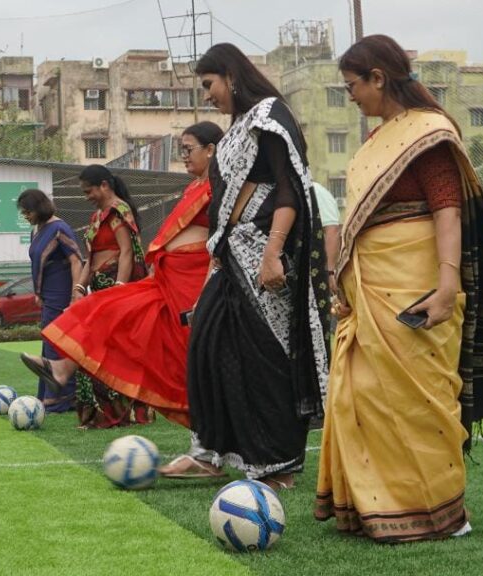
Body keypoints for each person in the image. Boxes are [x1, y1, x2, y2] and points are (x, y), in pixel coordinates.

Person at [315, 34, 483, 542]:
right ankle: (374, 508)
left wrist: (448, 282)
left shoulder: (427, 133)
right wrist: (344, 277)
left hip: (417, 280)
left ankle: (439, 513)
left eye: (352, 86)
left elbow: (446, 208)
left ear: (378, 79)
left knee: (420, 400)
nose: (351, 96)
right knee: (361, 393)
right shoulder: (373, 144)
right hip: (370, 285)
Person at [24, 122, 224, 466]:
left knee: (181, 359)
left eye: (188, 149)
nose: (183, 157)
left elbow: (130, 251)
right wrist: (80, 286)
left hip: (189, 283)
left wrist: (120, 282)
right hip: (167, 279)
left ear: (212, 149)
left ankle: (207, 449)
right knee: (102, 314)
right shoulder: (195, 187)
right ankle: (63, 368)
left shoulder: (223, 187)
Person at [182, 43, 331, 491]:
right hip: (231, 256)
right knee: (209, 347)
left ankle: (277, 463)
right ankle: (211, 452)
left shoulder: (269, 114)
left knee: (266, 359)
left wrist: (272, 253)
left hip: (264, 256)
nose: (207, 95)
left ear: (230, 75)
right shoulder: (235, 130)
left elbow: (290, 191)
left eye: (209, 85)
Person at [24, 165, 154, 429]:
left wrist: (119, 288)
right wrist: (79, 290)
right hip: (100, 285)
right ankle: (88, 402)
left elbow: (127, 252)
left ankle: (62, 370)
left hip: (119, 286)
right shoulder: (96, 217)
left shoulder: (119, 211)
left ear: (105, 185)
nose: (87, 196)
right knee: (92, 340)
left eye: (89, 191)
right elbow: (89, 260)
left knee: (94, 339)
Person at [15, 189, 82, 412]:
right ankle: (50, 397)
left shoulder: (59, 228)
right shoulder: (38, 231)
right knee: (49, 341)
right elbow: (37, 264)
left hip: (62, 292)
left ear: (40, 208)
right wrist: (38, 292)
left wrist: (75, 295)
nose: (25, 216)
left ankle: (64, 399)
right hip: (47, 296)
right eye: (23, 212)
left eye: (28, 211)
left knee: (58, 343)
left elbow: (76, 261)